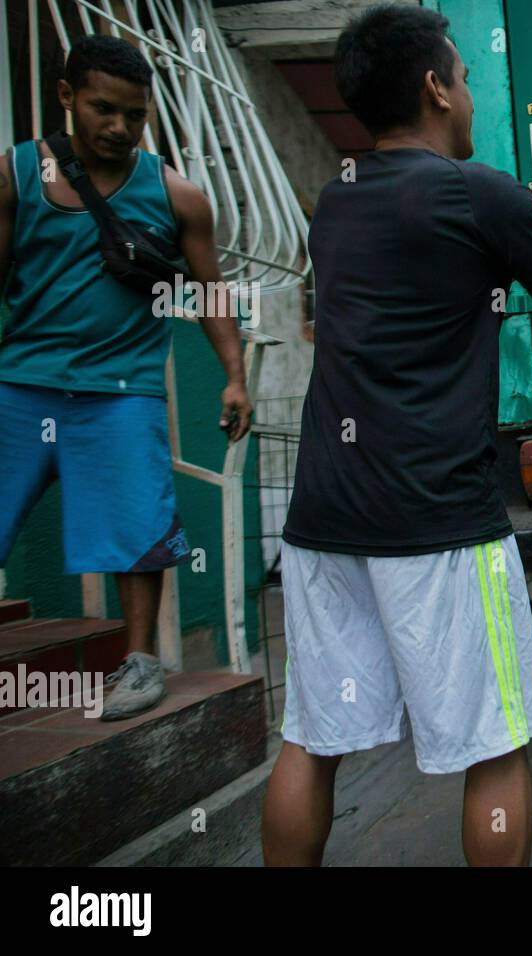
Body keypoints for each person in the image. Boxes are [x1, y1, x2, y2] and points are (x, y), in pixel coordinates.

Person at [260, 4, 532, 867]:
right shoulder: (481, 193)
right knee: (495, 743)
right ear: (434, 86)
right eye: (461, 77)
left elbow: (428, 276)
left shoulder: (334, 205)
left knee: (312, 737)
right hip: (442, 525)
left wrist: (527, 246)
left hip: (325, 519)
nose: (466, 91)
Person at [0, 35, 251, 721]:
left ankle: (139, 664)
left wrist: (234, 376)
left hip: (121, 390)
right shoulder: (17, 175)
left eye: (132, 115)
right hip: (21, 385)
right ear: (65, 98)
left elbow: (211, 292)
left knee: (139, 526)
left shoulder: (177, 195)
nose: (116, 127)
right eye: (101, 109)